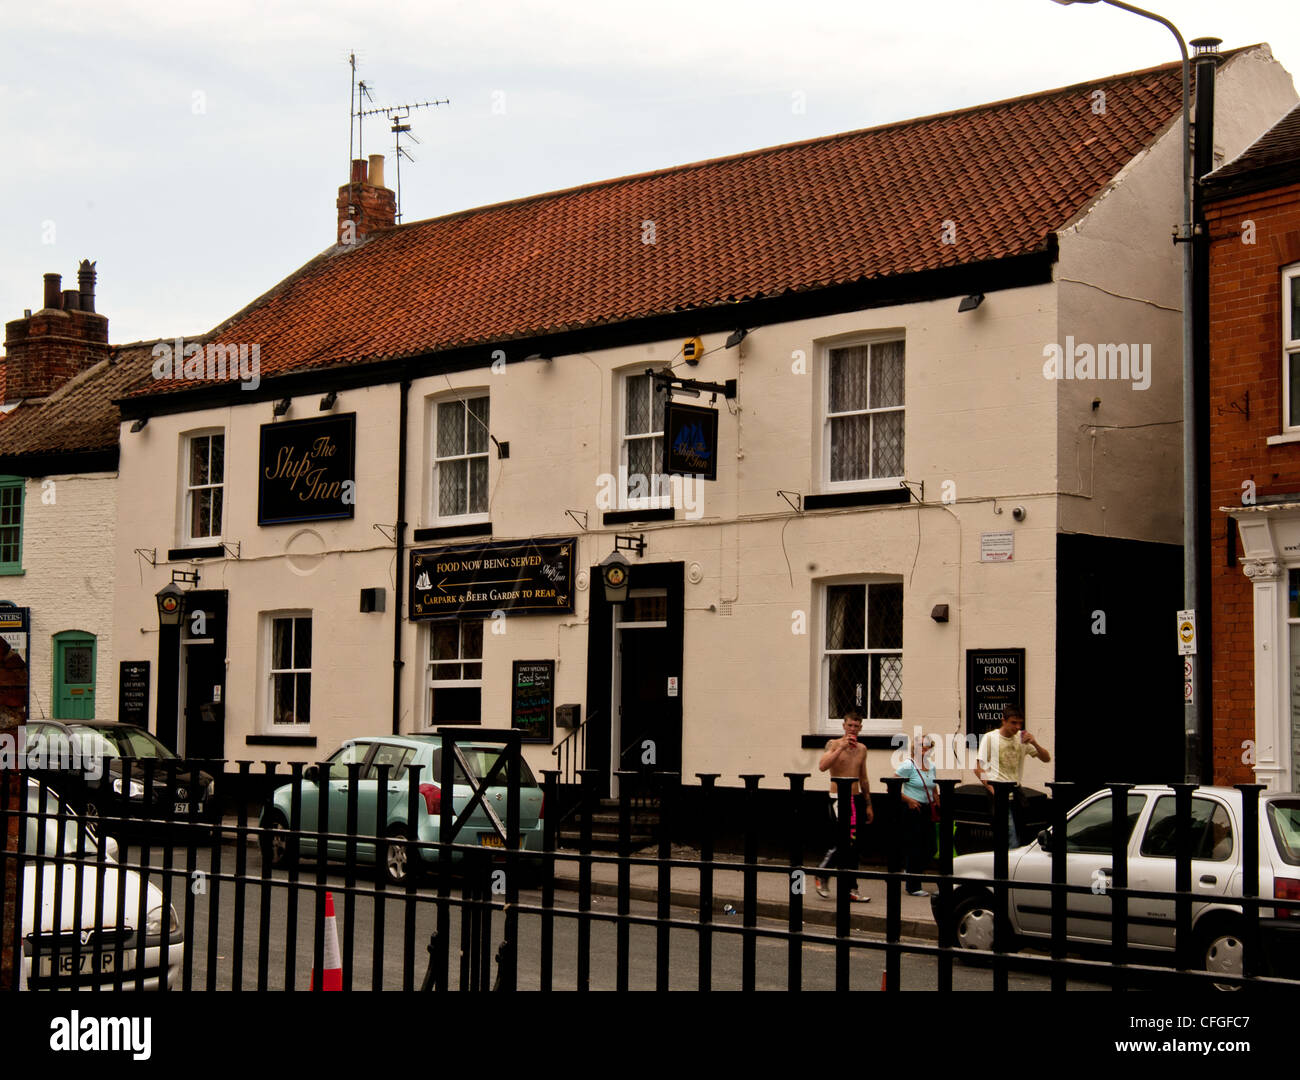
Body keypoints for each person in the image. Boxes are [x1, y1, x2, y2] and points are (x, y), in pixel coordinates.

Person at [814, 710, 873, 902]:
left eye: (856, 726)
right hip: (838, 797)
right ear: (843, 726)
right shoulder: (834, 744)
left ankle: (851, 888)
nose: (853, 729)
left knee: (854, 844)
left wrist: (868, 804)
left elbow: (863, 777)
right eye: (850, 725)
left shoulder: (862, 749)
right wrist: (841, 748)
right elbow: (822, 766)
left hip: (855, 799)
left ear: (861, 728)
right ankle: (823, 873)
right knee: (845, 840)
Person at [973, 705, 1049, 848]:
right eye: (1013, 723)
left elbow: (1046, 758)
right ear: (1004, 721)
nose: (1017, 727)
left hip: (1016, 790)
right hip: (998, 789)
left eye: (1020, 723)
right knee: (1009, 833)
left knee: (1021, 830)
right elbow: (978, 767)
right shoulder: (990, 738)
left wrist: (1034, 743)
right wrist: (991, 788)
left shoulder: (1022, 739)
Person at [897, 733, 938, 896]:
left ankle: (912, 872)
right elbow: (892, 788)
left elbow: (934, 788)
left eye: (928, 745)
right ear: (915, 748)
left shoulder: (932, 766)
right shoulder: (908, 766)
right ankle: (913, 885)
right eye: (922, 745)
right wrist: (908, 800)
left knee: (930, 847)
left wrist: (938, 801)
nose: (925, 749)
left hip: (927, 809)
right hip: (913, 809)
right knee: (915, 847)